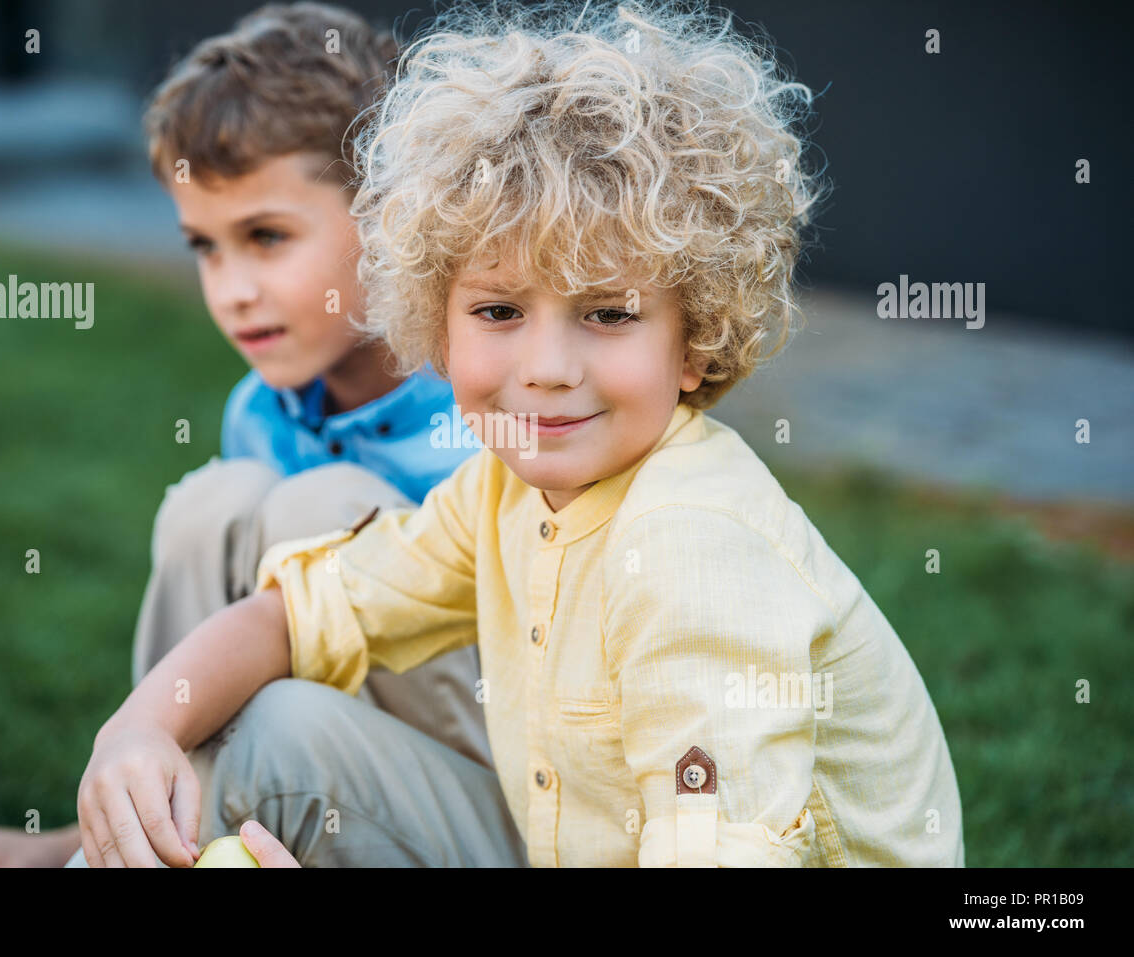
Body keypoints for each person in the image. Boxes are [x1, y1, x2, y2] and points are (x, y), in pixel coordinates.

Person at [73, 0, 965, 867]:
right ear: (433, 320)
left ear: (693, 341)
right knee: (275, 729)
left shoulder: (693, 547)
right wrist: (141, 725)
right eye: (498, 309)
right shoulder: (501, 487)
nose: (545, 366)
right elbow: (300, 616)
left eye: (607, 314)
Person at [0, 2, 490, 868]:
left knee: (323, 507)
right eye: (205, 246)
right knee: (213, 505)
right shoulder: (257, 414)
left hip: (489, 799)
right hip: (302, 763)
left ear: (390, 213)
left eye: (266, 237)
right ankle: (135, 819)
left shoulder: (489, 404)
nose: (231, 289)